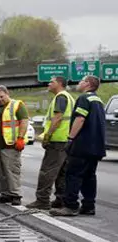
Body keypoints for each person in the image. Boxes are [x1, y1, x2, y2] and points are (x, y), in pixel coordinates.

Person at [50, 75, 106, 217]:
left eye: (81, 80)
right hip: (96, 146)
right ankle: (88, 206)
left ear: (87, 84)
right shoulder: (98, 100)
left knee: (73, 175)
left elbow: (80, 119)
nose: (79, 83)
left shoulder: (84, 98)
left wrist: (70, 138)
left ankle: (70, 206)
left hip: (82, 145)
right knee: (89, 176)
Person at [26, 76, 75, 210]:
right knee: (62, 173)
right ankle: (61, 199)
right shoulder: (69, 97)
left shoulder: (60, 97)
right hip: (66, 140)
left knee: (47, 171)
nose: (48, 84)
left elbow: (57, 118)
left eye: (51, 82)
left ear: (59, 84)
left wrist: (47, 136)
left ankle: (42, 200)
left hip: (57, 141)